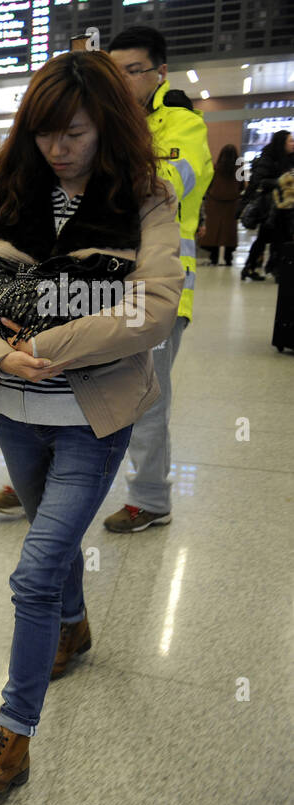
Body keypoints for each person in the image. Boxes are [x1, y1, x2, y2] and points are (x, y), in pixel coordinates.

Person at [0, 50, 182, 796]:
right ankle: (74, 627)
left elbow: (153, 308)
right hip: (17, 416)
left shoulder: (145, 199)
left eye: (74, 132)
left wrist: (44, 345)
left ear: (106, 126)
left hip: (92, 418)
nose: (58, 148)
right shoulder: (11, 195)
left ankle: (10, 738)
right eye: (46, 132)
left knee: (34, 569)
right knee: (50, 544)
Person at [95, 26, 213, 532]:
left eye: (132, 71)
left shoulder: (181, 123)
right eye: (113, 72)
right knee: (81, 381)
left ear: (159, 72)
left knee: (146, 394)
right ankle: (44, 478)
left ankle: (150, 500)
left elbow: (173, 180)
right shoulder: (109, 121)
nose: (121, 82)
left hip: (161, 287)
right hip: (105, 280)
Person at [239, 131, 294, 281]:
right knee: (272, 238)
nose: (293, 144)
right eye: (290, 141)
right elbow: (259, 181)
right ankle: (271, 268)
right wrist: (280, 181)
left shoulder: (290, 160)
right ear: (282, 143)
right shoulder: (269, 158)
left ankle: (257, 267)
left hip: (285, 208)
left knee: (273, 238)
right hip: (270, 207)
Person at [198, 144, 241, 266]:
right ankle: (228, 258)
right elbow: (242, 185)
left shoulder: (215, 168)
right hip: (232, 203)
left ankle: (214, 257)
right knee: (229, 231)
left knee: (214, 230)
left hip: (214, 202)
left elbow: (207, 183)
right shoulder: (239, 169)